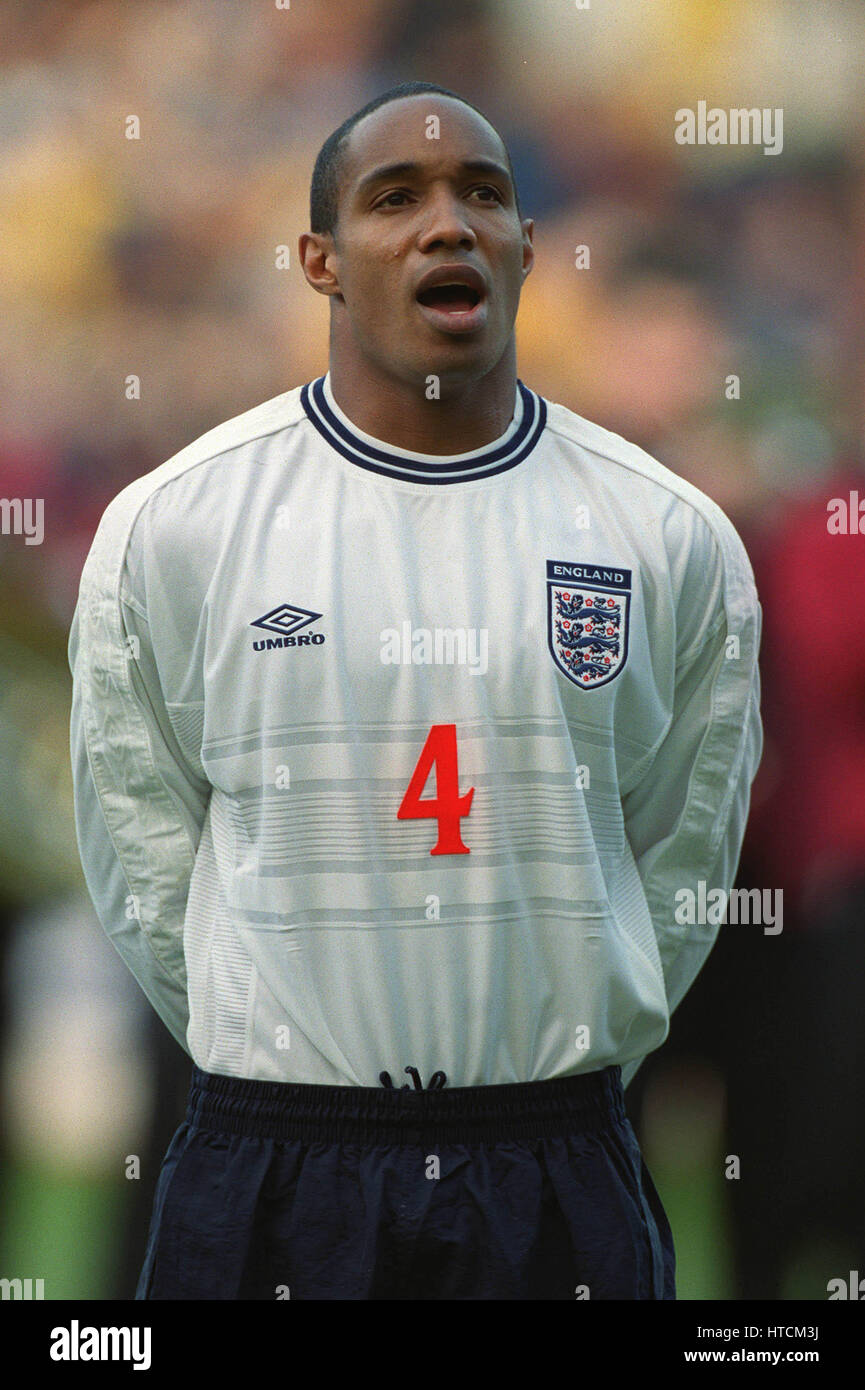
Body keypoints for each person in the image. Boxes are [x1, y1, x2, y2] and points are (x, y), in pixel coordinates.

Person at [68, 81, 762, 1301]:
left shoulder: (666, 534)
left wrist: (559, 1056)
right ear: (319, 260)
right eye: (396, 199)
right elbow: (142, 853)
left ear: (527, 248)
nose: (448, 224)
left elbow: (679, 860)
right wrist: (278, 1050)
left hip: (557, 1163)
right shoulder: (174, 527)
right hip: (272, 1160)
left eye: (482, 195)